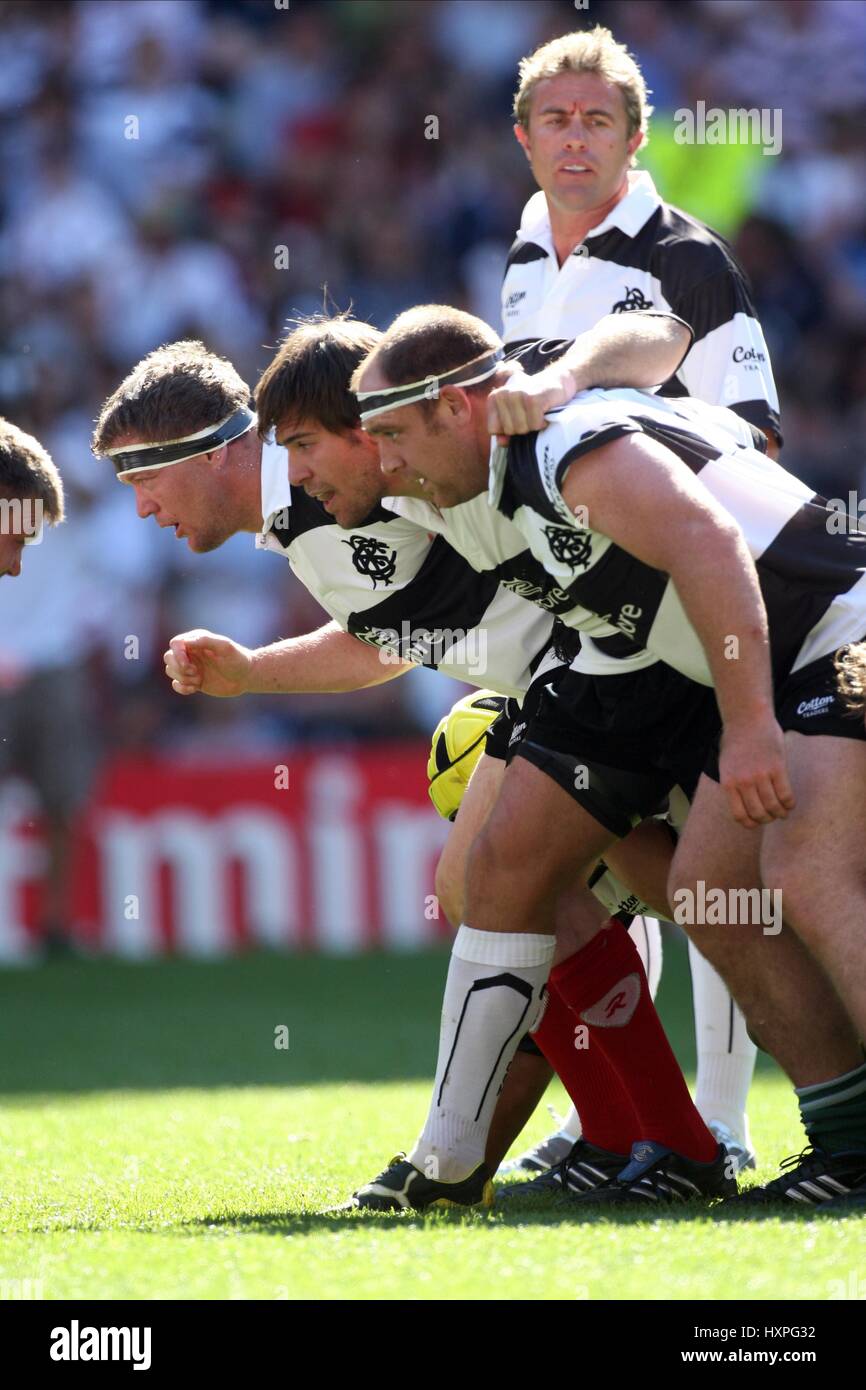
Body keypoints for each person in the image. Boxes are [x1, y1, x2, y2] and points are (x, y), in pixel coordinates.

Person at [94, 320, 724, 1203]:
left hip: (611, 672)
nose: (139, 506)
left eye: (142, 475)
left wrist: (560, 381)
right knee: (571, 893)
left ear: (209, 454)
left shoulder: (350, 472)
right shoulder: (303, 511)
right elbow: (391, 640)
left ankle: (613, 1147)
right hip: (568, 685)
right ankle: (634, 1141)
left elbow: (480, 459)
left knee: (661, 893)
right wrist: (252, 675)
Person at [350, 303, 866, 1208]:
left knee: (808, 871)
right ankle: (848, 1141)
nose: (386, 461)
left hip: (837, 630)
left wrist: (746, 727)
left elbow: (708, 543)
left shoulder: (560, 443)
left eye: (395, 434)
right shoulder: (506, 450)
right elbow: (648, 336)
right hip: (771, 666)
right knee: (712, 891)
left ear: (460, 410)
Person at [478, 22, 783, 1177]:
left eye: (595, 120)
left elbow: (752, 433)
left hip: (698, 595)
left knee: (713, 872)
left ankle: (721, 1121)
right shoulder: (517, 262)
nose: (572, 140)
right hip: (592, 608)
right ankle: (616, 1112)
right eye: (553, 119)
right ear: (521, 136)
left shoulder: (683, 254)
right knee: (618, 864)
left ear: (633, 136)